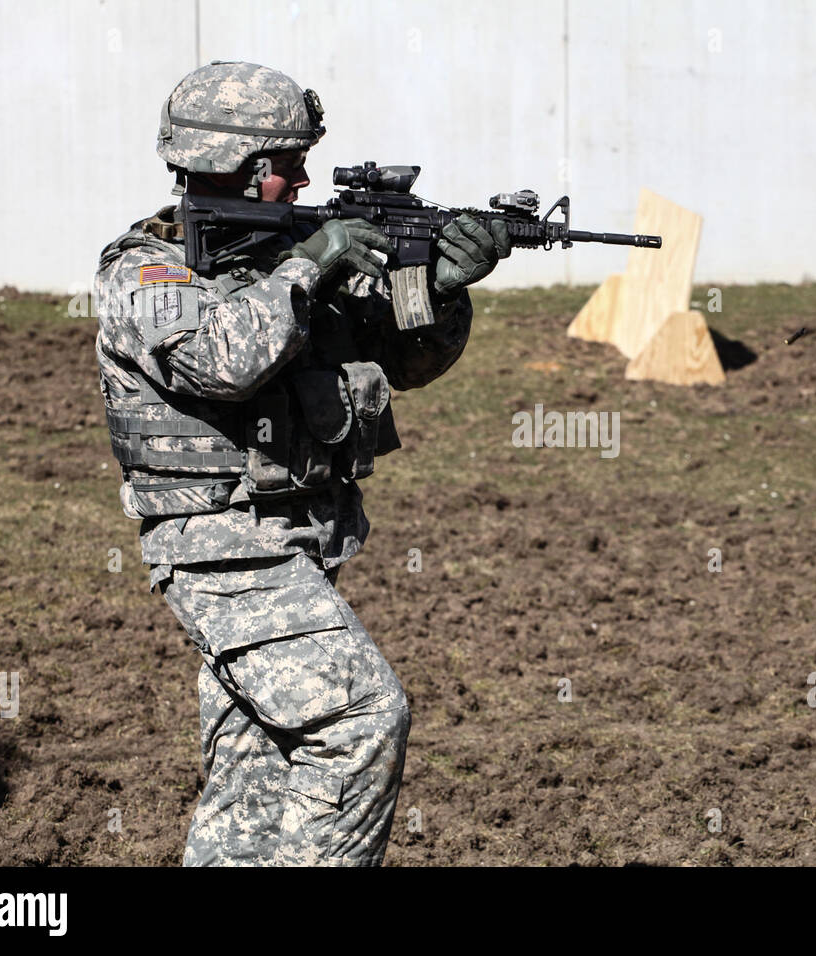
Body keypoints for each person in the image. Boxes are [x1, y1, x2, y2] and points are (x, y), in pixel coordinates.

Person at [93, 61, 510, 865]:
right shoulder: (147, 271)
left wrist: (443, 286)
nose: (306, 178)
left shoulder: (285, 259)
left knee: (258, 772)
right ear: (248, 170)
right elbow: (218, 358)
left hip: (301, 538)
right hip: (221, 545)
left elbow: (402, 359)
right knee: (361, 721)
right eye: (290, 165)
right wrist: (313, 261)